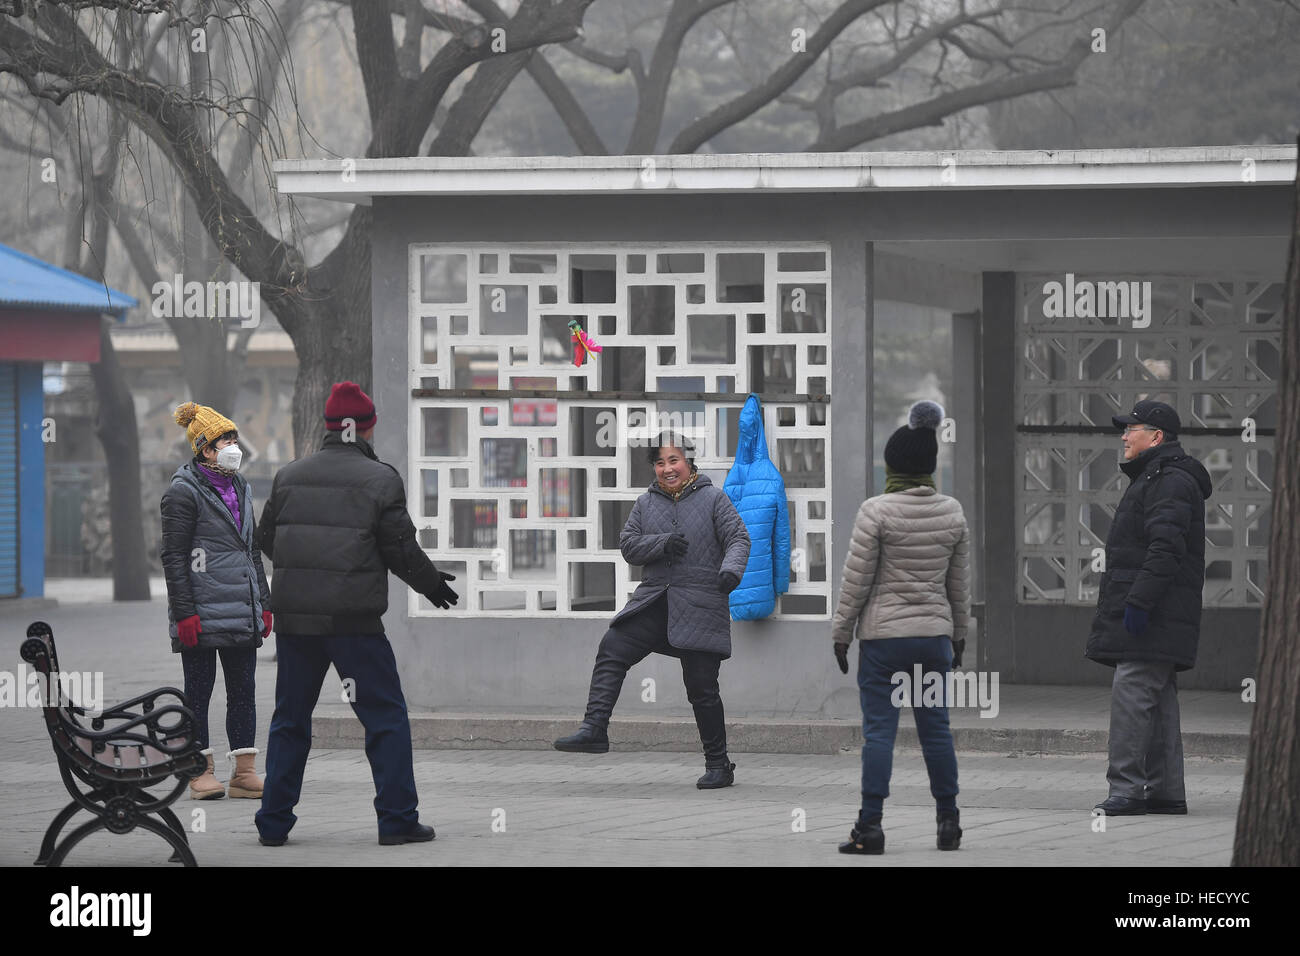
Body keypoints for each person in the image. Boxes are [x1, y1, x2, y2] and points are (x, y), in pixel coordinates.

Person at [252, 382, 459, 846]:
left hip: (297, 621)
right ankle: (397, 819)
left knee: (290, 718)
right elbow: (400, 549)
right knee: (385, 717)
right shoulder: (380, 479)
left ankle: (273, 823)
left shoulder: (289, 476)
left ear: (328, 426)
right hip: (354, 624)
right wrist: (431, 586)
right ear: (366, 427)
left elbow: (267, 539)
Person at [553, 433, 751, 788]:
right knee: (612, 648)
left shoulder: (714, 499)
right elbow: (628, 544)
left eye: (673, 460)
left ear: (689, 462)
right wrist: (661, 543)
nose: (666, 469)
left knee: (702, 688)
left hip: (701, 603)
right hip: (654, 601)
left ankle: (719, 765)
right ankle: (595, 728)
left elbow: (739, 538)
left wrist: (730, 572)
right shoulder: (646, 503)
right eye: (660, 463)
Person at [831, 400, 969, 855]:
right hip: (933, 642)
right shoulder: (952, 512)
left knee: (879, 734)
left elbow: (857, 579)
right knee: (936, 731)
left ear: (891, 465)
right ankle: (948, 822)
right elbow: (958, 586)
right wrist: (960, 635)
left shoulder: (876, 511)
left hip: (884, 644)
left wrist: (841, 632)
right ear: (929, 467)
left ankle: (869, 828)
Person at [1087, 400, 1212, 816]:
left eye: (1131, 429)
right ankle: (1165, 792)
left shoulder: (1168, 480)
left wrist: (1138, 601)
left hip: (1154, 612)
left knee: (1131, 695)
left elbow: (1165, 548)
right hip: (1161, 612)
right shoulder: (1159, 477)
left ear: (1156, 436)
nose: (1123, 436)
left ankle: (1125, 790)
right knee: (1157, 703)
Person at [161, 402, 272, 801]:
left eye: (234, 438)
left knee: (243, 690)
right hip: (202, 614)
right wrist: (186, 613)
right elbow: (174, 557)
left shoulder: (241, 486)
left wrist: (263, 600)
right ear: (205, 448)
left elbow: (251, 549)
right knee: (199, 691)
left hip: (240, 610)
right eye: (226, 439)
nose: (233, 446)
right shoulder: (182, 492)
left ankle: (244, 773)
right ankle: (199, 771)